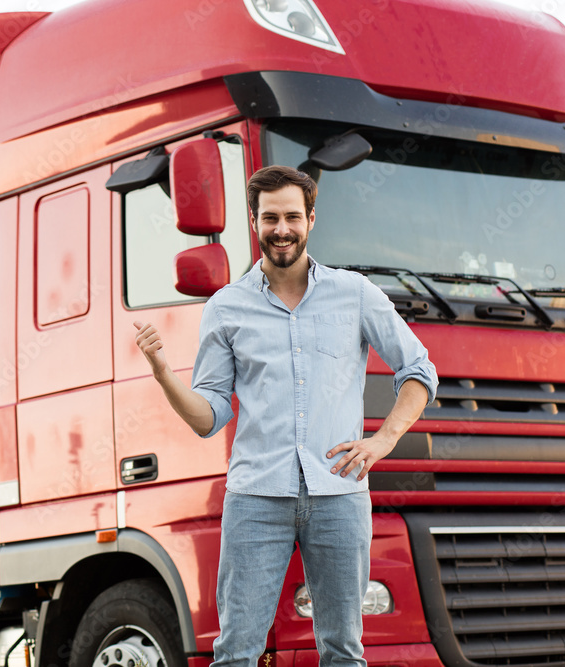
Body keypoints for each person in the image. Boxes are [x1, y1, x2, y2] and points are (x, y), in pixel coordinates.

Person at [133, 165, 438, 667]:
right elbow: (209, 416)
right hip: (256, 499)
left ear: (311, 220)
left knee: (343, 650)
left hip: (339, 495)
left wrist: (382, 441)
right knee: (235, 653)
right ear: (254, 222)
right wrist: (165, 372)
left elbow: (418, 370)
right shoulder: (227, 307)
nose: (282, 229)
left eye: (292, 216)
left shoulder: (355, 293)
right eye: (270, 217)